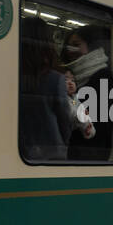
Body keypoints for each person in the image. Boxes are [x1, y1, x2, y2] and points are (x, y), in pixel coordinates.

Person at [19, 17, 73, 161]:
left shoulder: (14, 78)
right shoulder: (56, 80)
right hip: (53, 157)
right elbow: (65, 124)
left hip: (21, 154)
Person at [61, 28, 113, 161]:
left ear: (90, 46)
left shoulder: (103, 77)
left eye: (76, 44)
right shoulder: (72, 78)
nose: (71, 50)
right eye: (69, 46)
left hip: (91, 154)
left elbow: (102, 124)